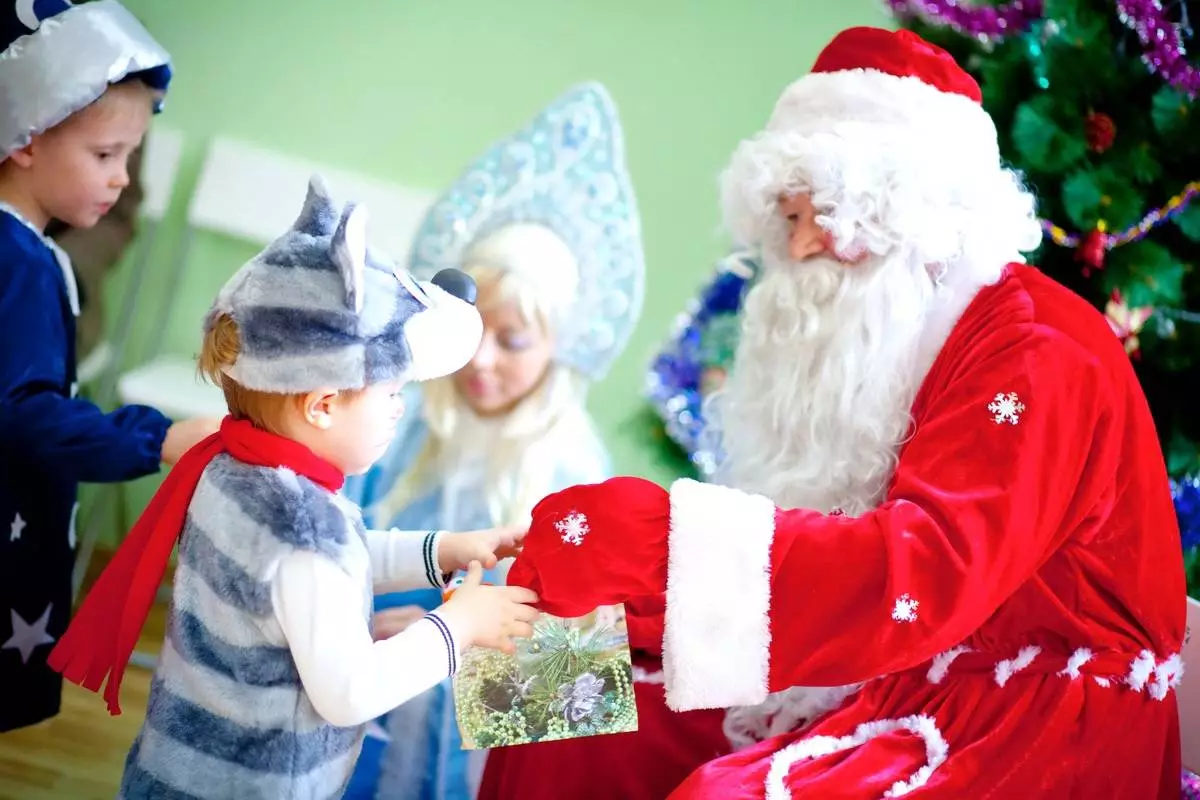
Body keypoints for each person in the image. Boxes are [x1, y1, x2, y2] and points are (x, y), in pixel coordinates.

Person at [507, 26, 1186, 798]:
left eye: (818, 215)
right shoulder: (899, 334)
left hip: (1024, 705)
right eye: (785, 221)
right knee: (545, 696)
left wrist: (653, 545)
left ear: (905, 214)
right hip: (864, 662)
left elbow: (921, 574)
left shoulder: (1035, 349)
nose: (794, 252)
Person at [47, 175, 542, 799]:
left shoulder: (234, 469)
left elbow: (342, 565)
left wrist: (444, 549)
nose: (398, 409)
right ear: (324, 405)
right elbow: (350, 691)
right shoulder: (303, 528)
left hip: (182, 762)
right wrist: (457, 627)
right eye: (391, 393)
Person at [0, 0, 219, 733]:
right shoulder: (23, 261)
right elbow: (25, 413)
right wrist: (152, 439)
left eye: (128, 156)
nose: (123, 178)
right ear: (27, 138)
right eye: (105, 155)